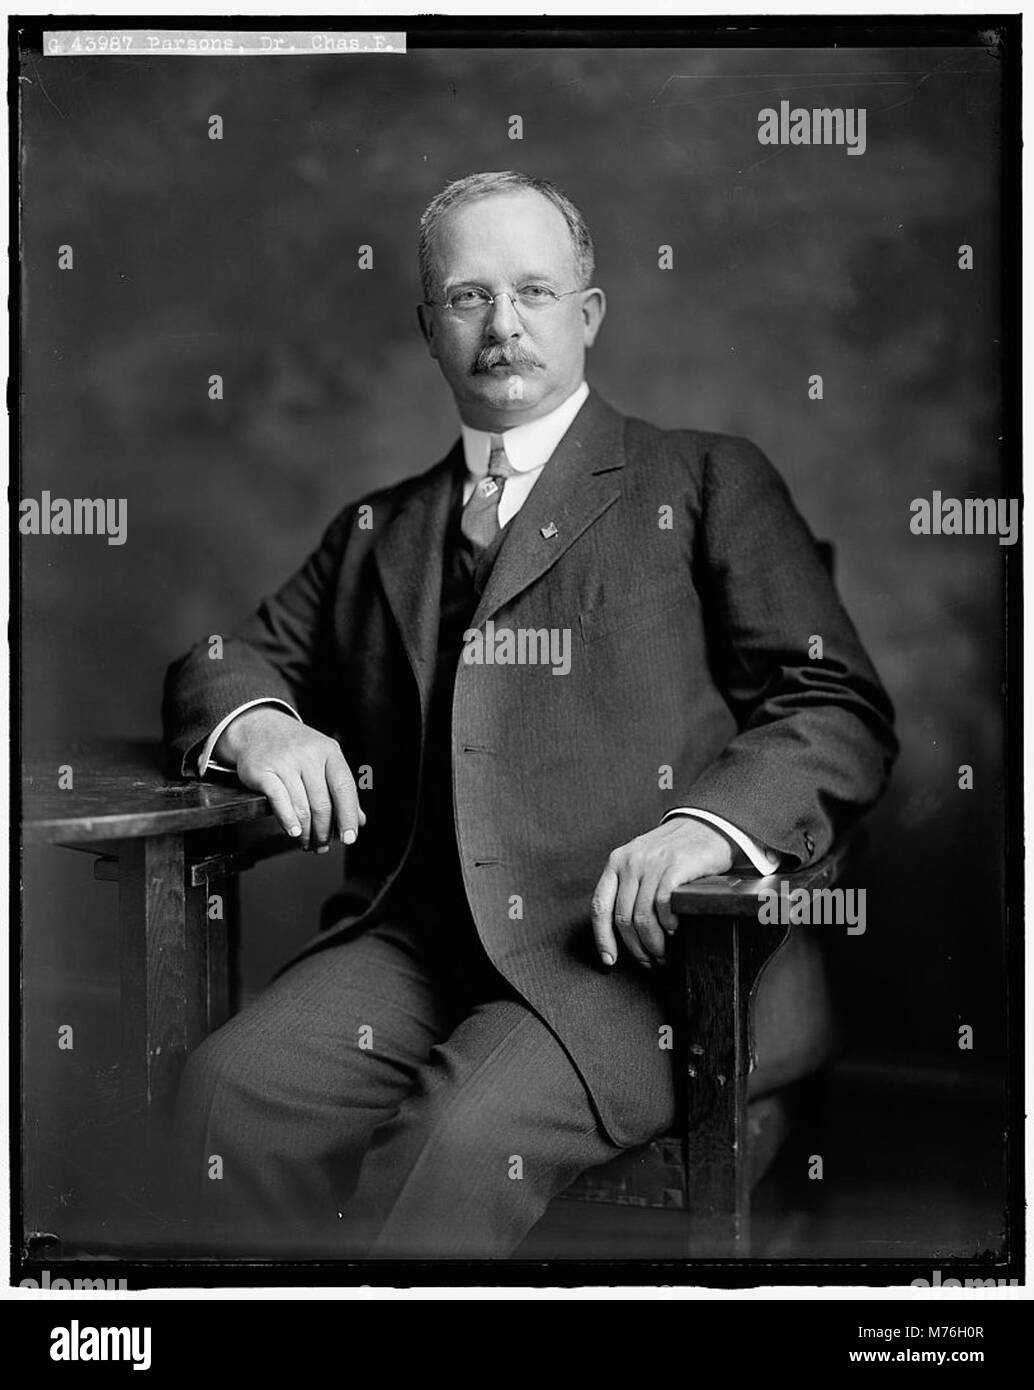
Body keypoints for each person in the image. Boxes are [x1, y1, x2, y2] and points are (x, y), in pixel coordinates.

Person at [162, 169, 897, 1258]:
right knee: (228, 1093)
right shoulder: (376, 530)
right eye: (467, 297)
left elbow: (835, 703)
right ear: (427, 326)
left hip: (628, 960)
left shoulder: (703, 479)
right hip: (414, 947)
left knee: (456, 1144)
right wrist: (260, 725)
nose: (501, 325)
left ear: (586, 315)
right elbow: (222, 660)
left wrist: (706, 828)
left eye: (534, 293)